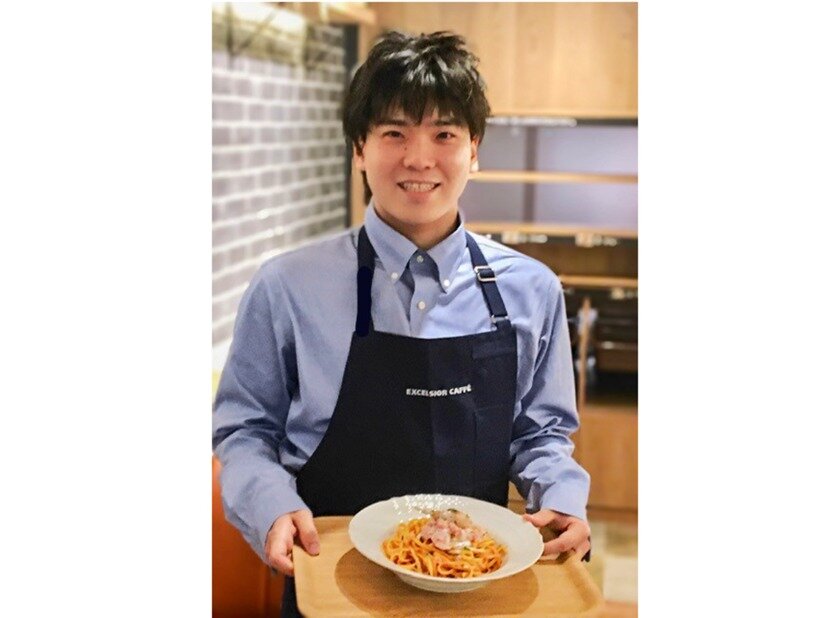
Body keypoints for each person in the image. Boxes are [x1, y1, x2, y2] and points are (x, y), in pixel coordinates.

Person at [212, 30, 591, 616]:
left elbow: (540, 434)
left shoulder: (532, 289)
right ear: (359, 149)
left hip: (477, 582)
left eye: (444, 134)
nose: (419, 158)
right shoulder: (287, 286)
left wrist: (561, 496)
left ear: (474, 150)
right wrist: (269, 504)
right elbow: (244, 430)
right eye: (394, 133)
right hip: (329, 582)